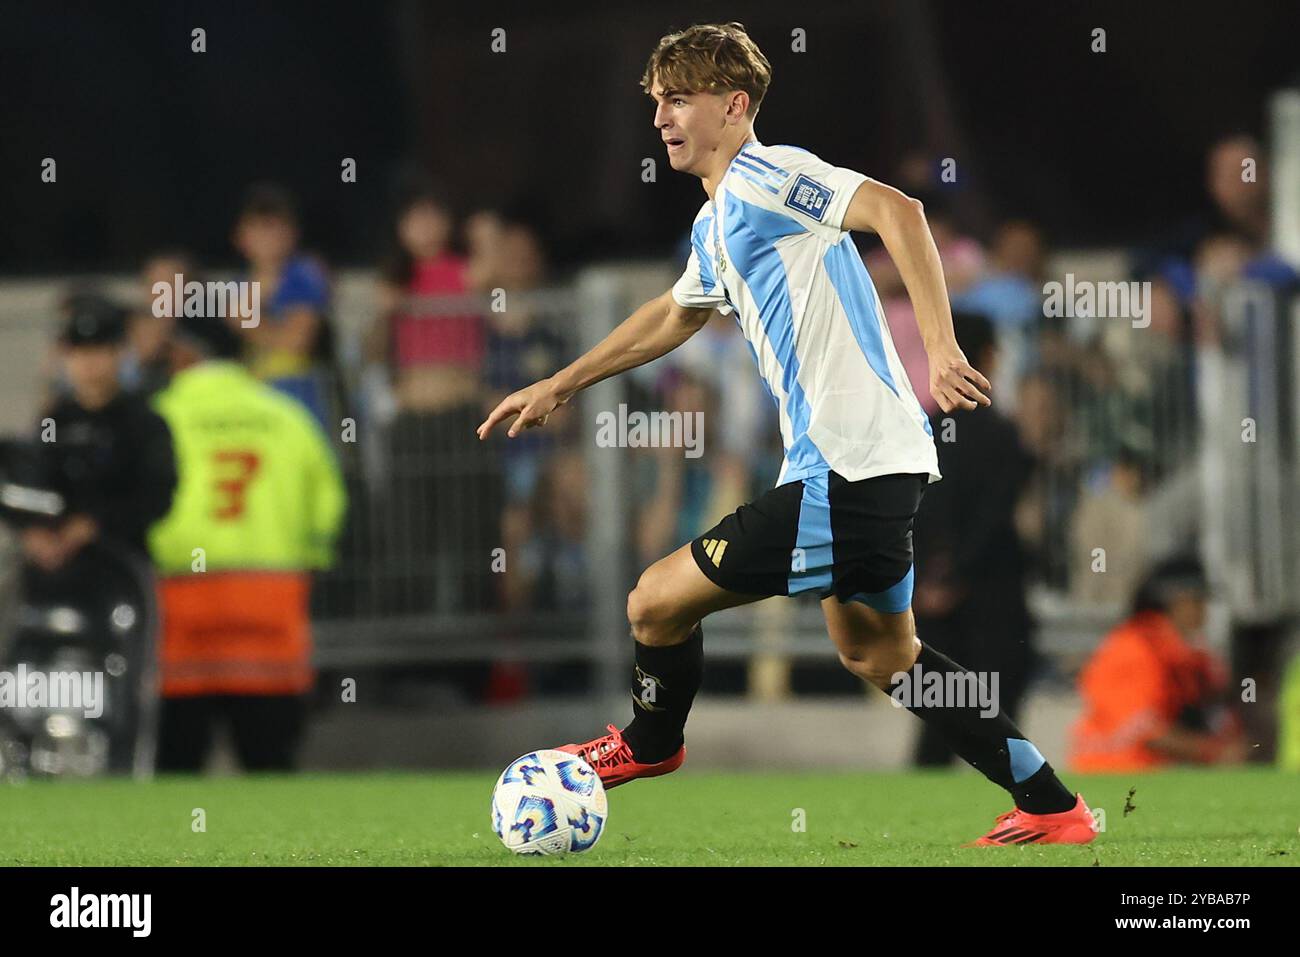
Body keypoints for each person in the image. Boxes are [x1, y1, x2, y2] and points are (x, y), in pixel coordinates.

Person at [478, 22, 1097, 846]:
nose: (663, 116)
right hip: (875, 465)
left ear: (734, 106)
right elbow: (674, 312)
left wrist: (942, 347)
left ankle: (651, 742)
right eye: (658, 100)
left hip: (846, 464)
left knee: (654, 602)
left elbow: (899, 211)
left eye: (682, 99)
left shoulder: (772, 173)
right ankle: (1052, 804)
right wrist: (562, 382)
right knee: (883, 655)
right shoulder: (717, 222)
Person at [148, 311, 347, 772]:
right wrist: (312, 556)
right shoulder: (286, 415)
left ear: (184, 354)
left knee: (177, 761)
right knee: (269, 758)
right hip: (270, 597)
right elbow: (329, 498)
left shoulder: (161, 414)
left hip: (181, 599)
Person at [911, 311, 1036, 767]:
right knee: (1003, 714)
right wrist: (960, 572)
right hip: (992, 597)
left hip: (927, 599)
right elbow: (994, 518)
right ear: (986, 358)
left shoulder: (913, 431)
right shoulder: (1002, 438)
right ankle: (1031, 803)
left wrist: (927, 579)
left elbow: (906, 514)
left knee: (937, 719)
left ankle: (917, 823)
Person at [22, 295, 176, 573]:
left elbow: (158, 495)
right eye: (79, 352)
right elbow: (34, 481)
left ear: (119, 353)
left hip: (124, 561)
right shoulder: (54, 421)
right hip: (57, 565)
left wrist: (96, 525)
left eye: (99, 351)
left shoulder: (143, 420)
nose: (89, 363)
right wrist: (34, 530)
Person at [1070, 557, 1245, 772]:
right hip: (1115, 769)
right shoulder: (1134, 648)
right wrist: (1213, 751)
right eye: (1198, 600)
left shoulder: (1191, 656)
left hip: (1158, 772)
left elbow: (1217, 713)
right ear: (1174, 601)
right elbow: (1144, 729)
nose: (1204, 611)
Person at [230, 183, 336, 429]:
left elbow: (296, 342)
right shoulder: (239, 283)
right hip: (254, 397)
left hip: (300, 395)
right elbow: (234, 317)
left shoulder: (305, 275)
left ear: (293, 233)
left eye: (277, 228)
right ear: (241, 237)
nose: (270, 237)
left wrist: (249, 320)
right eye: (260, 228)